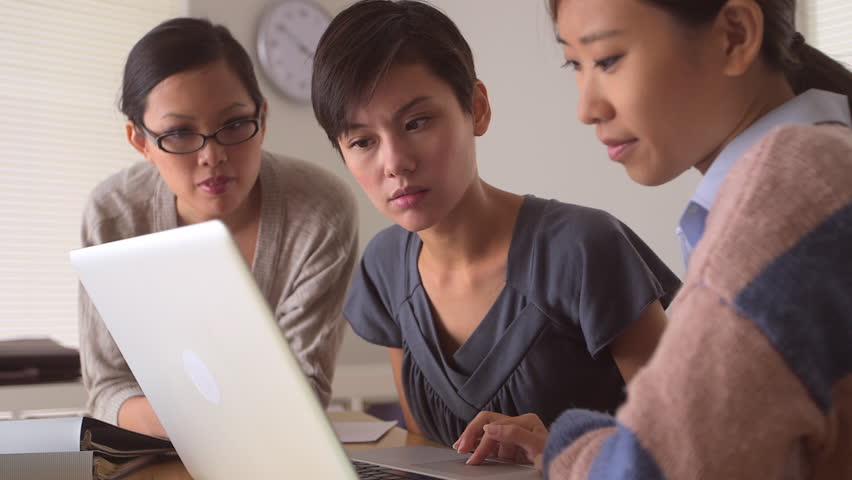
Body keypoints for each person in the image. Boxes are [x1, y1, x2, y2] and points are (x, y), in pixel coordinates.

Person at [467, 0, 852, 477]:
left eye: (608, 60)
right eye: (575, 64)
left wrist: (569, 446)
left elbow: (655, 471)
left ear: (734, 35)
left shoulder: (785, 196)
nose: (587, 109)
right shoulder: (823, 161)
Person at [311, 0, 682, 448]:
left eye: (416, 122)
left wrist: (561, 451)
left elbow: (685, 440)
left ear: (478, 108)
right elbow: (423, 450)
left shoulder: (585, 248)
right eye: (362, 141)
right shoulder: (385, 265)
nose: (394, 163)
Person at [78, 18, 358, 438]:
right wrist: (200, 424)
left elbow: (304, 390)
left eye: (234, 124)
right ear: (140, 141)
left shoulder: (319, 214)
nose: (212, 155)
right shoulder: (114, 216)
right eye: (178, 133)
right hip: (155, 449)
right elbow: (107, 388)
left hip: (271, 448)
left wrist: (204, 418)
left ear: (262, 118)